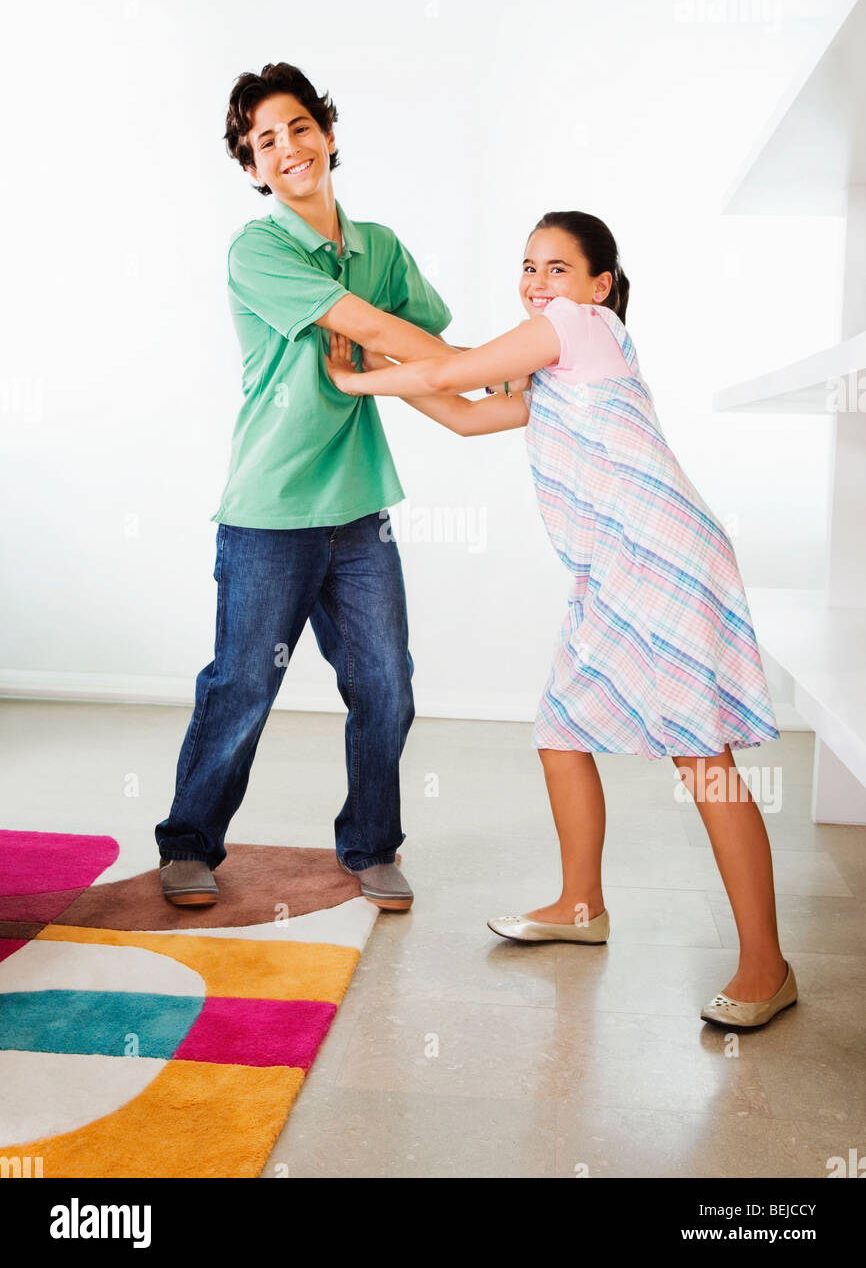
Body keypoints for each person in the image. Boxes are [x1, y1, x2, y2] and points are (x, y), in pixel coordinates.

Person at [324, 209, 797, 1030]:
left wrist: (353, 379)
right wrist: (378, 361)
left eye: (557, 268)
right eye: (528, 267)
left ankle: (769, 966)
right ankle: (582, 907)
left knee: (702, 759)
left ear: (599, 286)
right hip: (609, 571)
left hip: (662, 561)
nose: (538, 282)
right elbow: (466, 407)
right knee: (562, 732)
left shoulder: (579, 328)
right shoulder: (556, 363)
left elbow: (454, 370)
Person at [154, 62, 513, 912]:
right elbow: (370, 327)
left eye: (300, 127)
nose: (288, 148)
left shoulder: (379, 248)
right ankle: (189, 844)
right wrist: (496, 369)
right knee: (243, 685)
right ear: (252, 166)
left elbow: (420, 352)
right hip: (269, 512)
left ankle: (372, 846)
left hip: (357, 511)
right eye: (265, 141)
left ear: (328, 135)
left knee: (386, 684)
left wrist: (502, 384)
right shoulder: (258, 250)